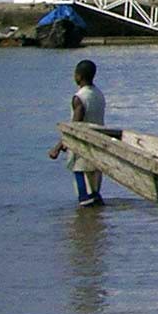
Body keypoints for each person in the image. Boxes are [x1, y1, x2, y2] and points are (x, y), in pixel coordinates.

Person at [47, 59, 107, 205]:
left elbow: (74, 127)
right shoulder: (98, 94)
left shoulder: (79, 98)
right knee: (95, 194)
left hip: (82, 149)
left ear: (79, 76)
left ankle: (87, 217)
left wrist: (58, 147)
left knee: (85, 198)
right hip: (98, 146)